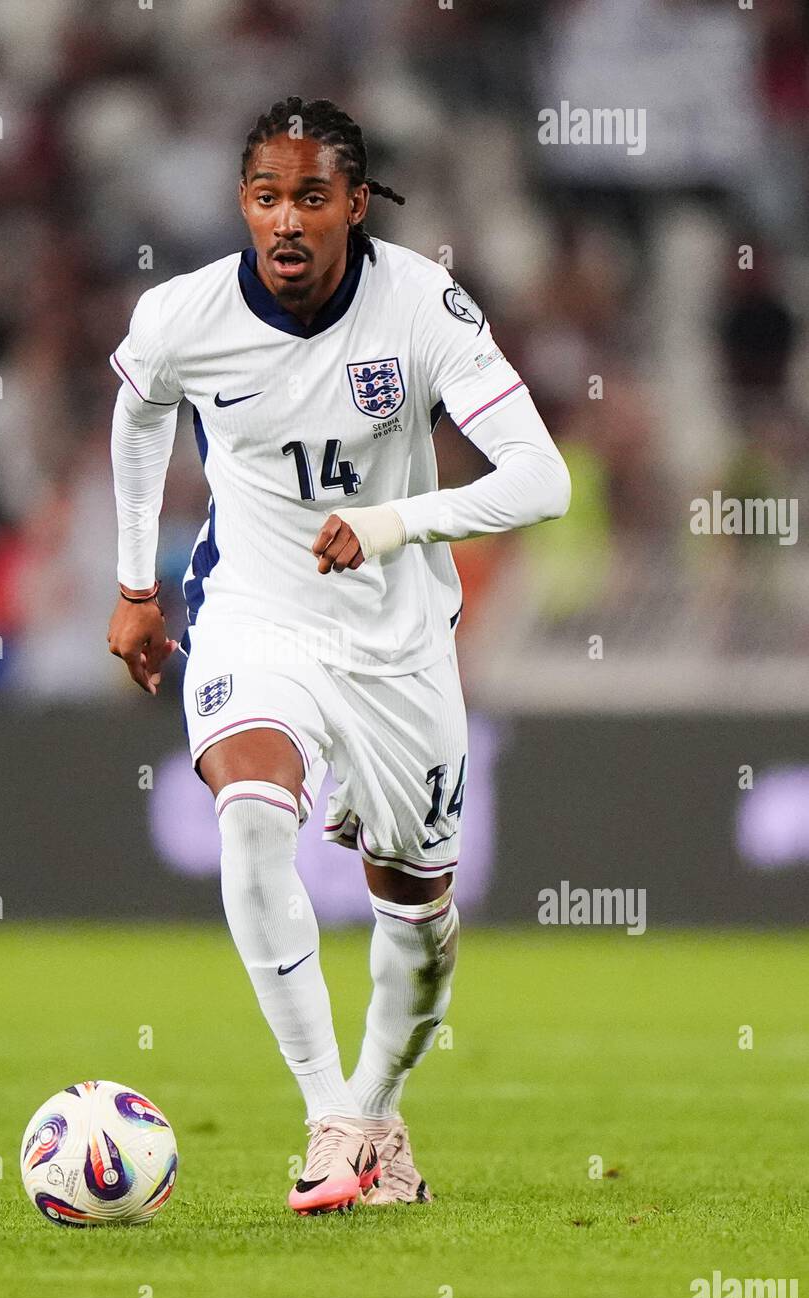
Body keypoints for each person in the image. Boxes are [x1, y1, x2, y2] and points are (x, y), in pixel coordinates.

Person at [107, 96, 570, 1214]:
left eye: (313, 196)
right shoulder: (184, 315)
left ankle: (376, 1109)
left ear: (356, 205)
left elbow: (541, 477)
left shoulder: (423, 307)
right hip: (255, 614)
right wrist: (133, 584)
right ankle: (328, 1120)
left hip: (397, 640)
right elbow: (138, 410)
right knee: (255, 812)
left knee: (419, 918)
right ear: (243, 205)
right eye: (267, 196)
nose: (288, 219)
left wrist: (396, 521)